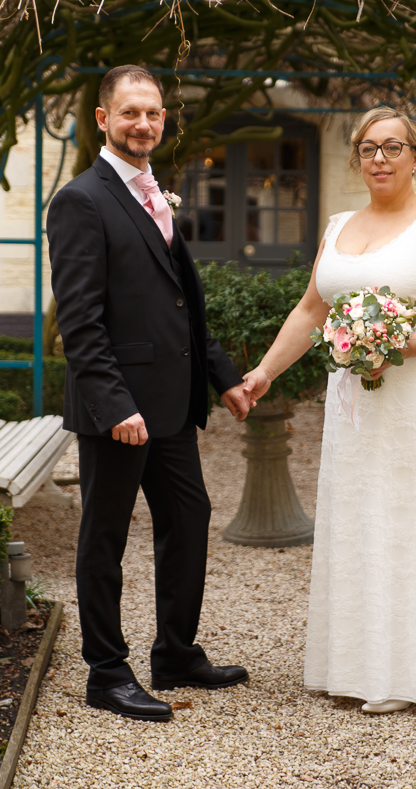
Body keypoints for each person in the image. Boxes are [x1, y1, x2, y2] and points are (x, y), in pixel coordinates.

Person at [244, 107, 416, 713]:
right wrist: (266, 372)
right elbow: (310, 311)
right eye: (369, 148)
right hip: (353, 403)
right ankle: (355, 667)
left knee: (412, 523)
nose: (380, 158)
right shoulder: (339, 224)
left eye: (394, 147)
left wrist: (401, 343)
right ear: (357, 157)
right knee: (359, 521)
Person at [47, 65, 250, 723]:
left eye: (153, 113)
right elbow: (79, 320)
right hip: (119, 412)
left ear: (165, 120)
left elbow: (179, 306)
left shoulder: (150, 191)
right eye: (130, 112)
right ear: (103, 119)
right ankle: (106, 673)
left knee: (189, 520)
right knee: (103, 539)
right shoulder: (81, 200)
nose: (143, 124)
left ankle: (175, 651)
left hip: (169, 405)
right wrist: (115, 405)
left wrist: (224, 378)